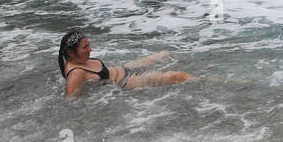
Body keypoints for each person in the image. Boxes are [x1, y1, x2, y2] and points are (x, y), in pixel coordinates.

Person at [57, 30, 192, 97]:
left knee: (165, 54)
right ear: (70, 52)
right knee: (177, 76)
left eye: (89, 45)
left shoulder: (79, 59)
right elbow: (70, 100)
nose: (90, 49)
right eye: (85, 48)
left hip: (123, 68)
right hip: (125, 82)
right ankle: (206, 80)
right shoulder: (75, 74)